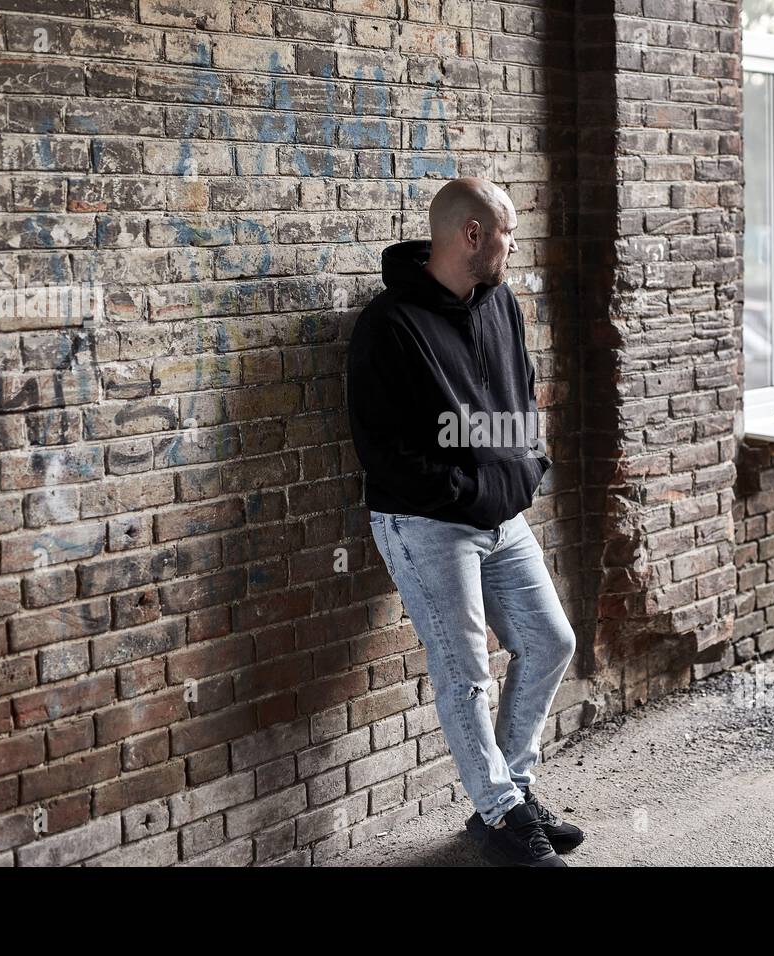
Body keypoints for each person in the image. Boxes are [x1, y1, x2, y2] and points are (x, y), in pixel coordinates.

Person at [346, 177, 583, 867]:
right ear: (472, 236)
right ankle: (504, 815)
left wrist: (525, 467)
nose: (513, 248)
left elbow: (520, 394)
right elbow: (382, 454)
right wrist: (470, 486)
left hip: (498, 514)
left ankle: (505, 795)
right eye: (506, 235)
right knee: (465, 673)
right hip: (423, 523)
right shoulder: (387, 327)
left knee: (549, 640)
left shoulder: (498, 302)